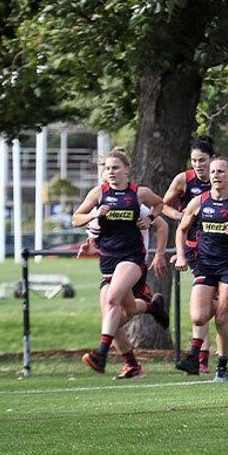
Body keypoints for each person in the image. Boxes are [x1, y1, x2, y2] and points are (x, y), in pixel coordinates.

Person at [161, 136, 228, 373]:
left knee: (221, 319)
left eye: (221, 171)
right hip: (205, 262)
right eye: (213, 172)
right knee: (198, 316)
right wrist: (181, 255)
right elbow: (181, 229)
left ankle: (219, 365)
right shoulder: (198, 202)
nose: (216, 175)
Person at [72, 148, 169, 379]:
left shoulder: (138, 193)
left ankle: (101, 355)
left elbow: (160, 203)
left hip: (132, 258)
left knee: (112, 300)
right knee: (115, 315)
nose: (111, 172)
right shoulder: (99, 193)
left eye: (115, 168)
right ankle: (133, 364)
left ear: (126, 170)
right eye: (107, 168)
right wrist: (94, 214)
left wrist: (150, 219)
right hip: (108, 260)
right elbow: (76, 218)